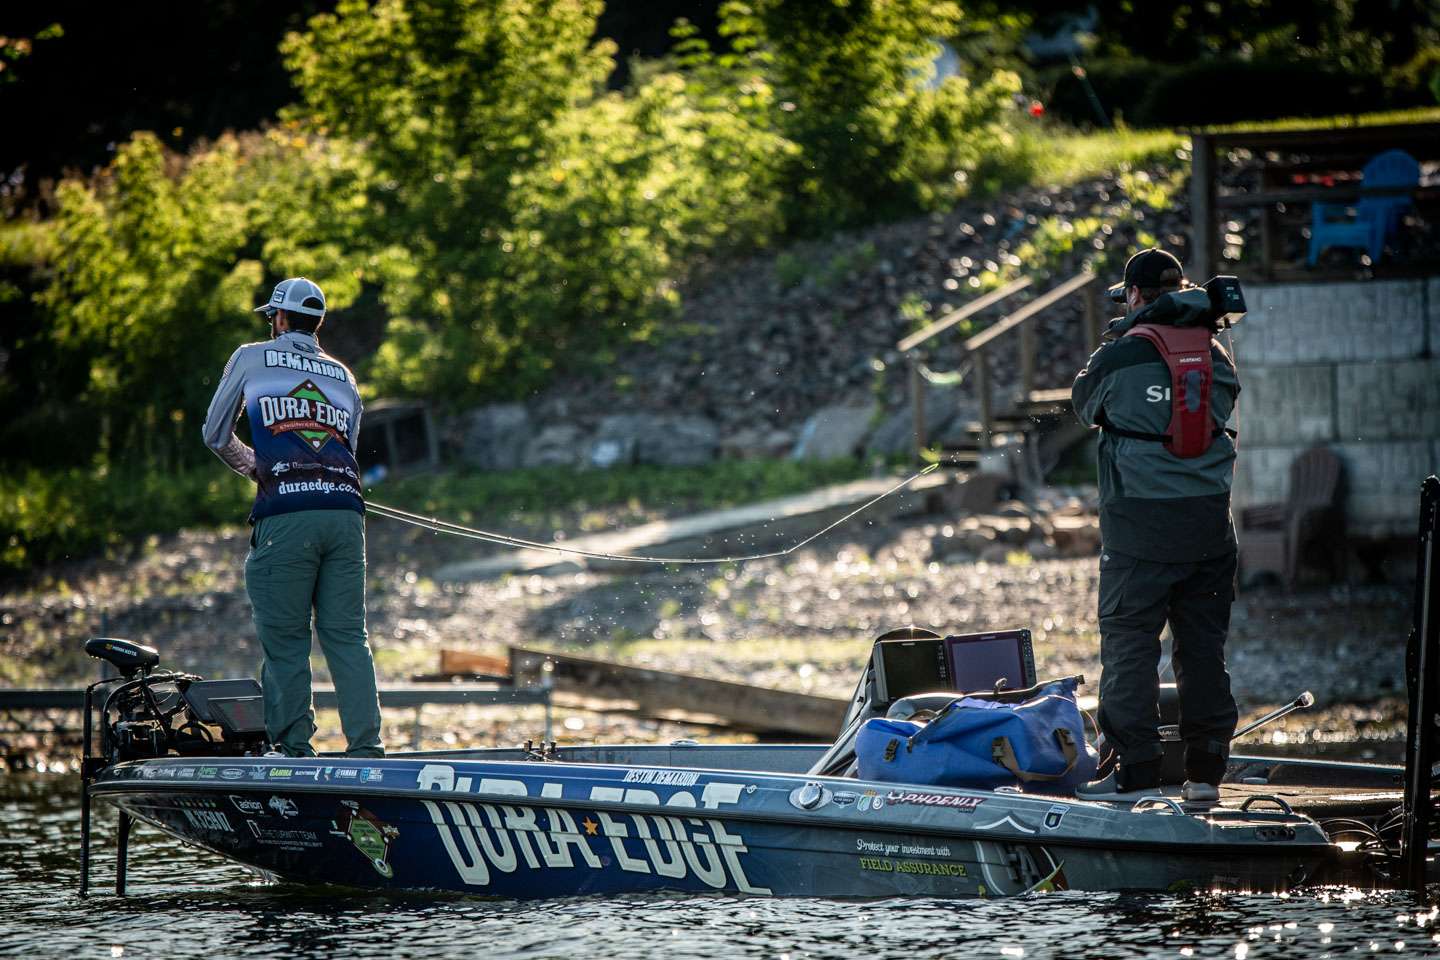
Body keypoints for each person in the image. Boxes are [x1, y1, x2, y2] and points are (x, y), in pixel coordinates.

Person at [1069, 248, 1240, 803]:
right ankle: (1206, 775)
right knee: (1202, 648)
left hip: (1139, 529)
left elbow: (1083, 403)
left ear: (1137, 296)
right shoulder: (1216, 353)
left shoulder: (1120, 358)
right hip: (1211, 528)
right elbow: (1220, 406)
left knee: (1129, 646)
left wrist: (1120, 339)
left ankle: (1135, 769)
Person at [202, 277, 384, 758]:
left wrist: (257, 467)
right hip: (346, 515)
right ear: (318, 323)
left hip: (286, 516)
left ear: (279, 320)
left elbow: (215, 434)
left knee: (286, 641)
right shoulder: (344, 376)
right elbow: (347, 446)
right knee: (347, 637)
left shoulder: (250, 356)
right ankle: (367, 748)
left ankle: (294, 751)